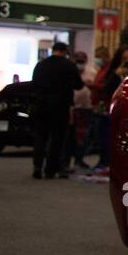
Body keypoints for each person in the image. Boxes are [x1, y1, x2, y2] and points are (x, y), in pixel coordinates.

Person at [30, 40, 83, 179]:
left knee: (41, 136)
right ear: (65, 51)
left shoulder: (41, 65)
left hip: (41, 105)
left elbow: (34, 84)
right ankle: (50, 169)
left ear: (52, 50)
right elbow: (78, 85)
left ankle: (37, 166)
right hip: (61, 106)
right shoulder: (69, 65)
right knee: (57, 138)